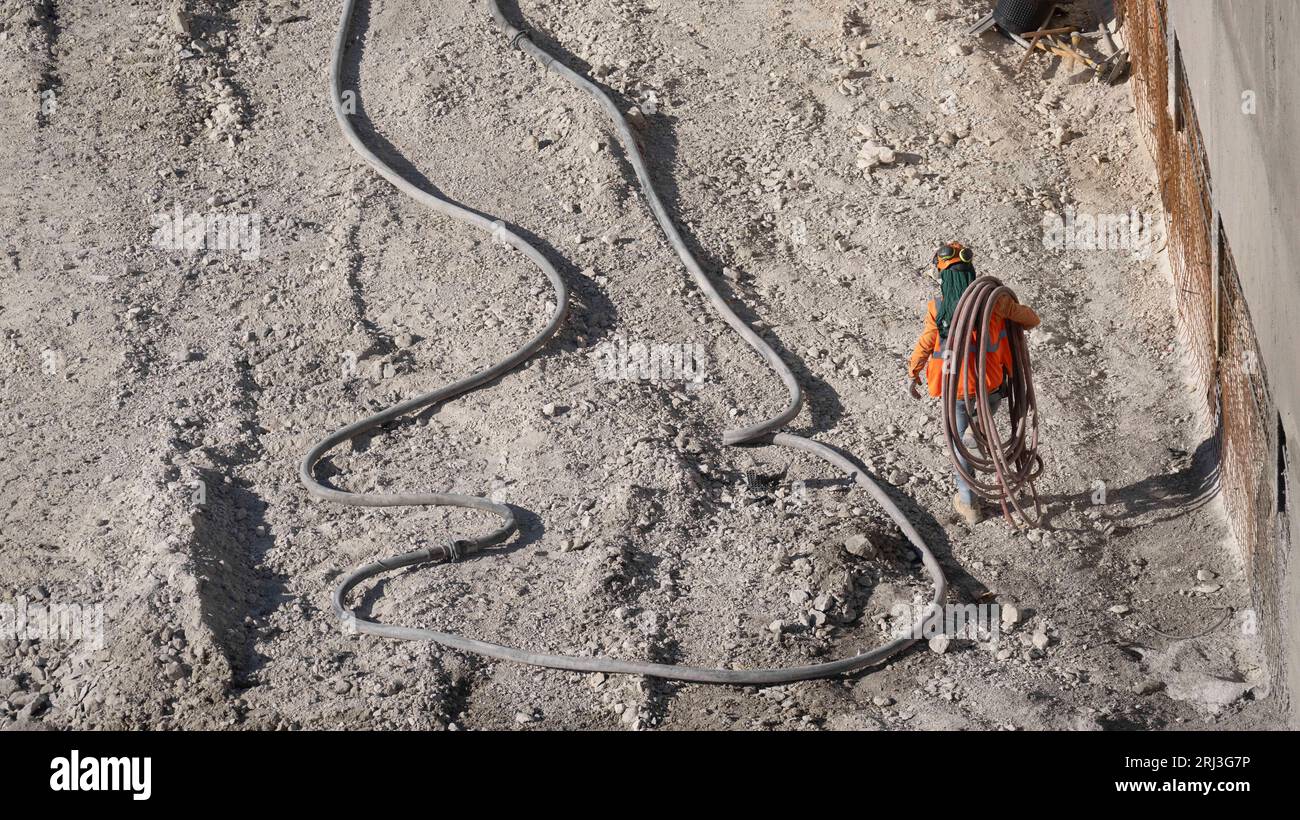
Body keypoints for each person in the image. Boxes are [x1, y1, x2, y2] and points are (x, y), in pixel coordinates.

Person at [906, 242, 1040, 525]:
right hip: (988, 390)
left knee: (959, 445)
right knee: (972, 437)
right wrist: (1004, 307)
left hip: (953, 391)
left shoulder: (939, 307)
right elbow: (1031, 320)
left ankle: (969, 505)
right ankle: (976, 441)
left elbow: (927, 342)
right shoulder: (994, 303)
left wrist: (913, 372)